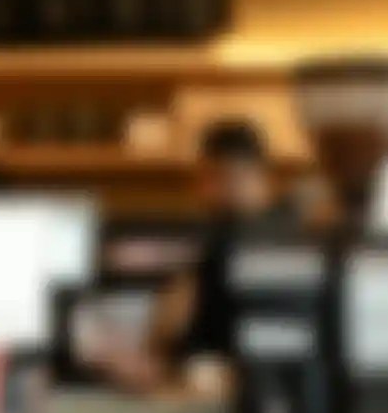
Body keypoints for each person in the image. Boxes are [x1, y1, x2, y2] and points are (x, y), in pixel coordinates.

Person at [105, 119, 296, 396]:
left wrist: (159, 352)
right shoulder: (235, 235)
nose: (204, 191)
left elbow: (179, 329)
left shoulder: (248, 240)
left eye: (211, 179)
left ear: (239, 175)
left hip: (229, 392)